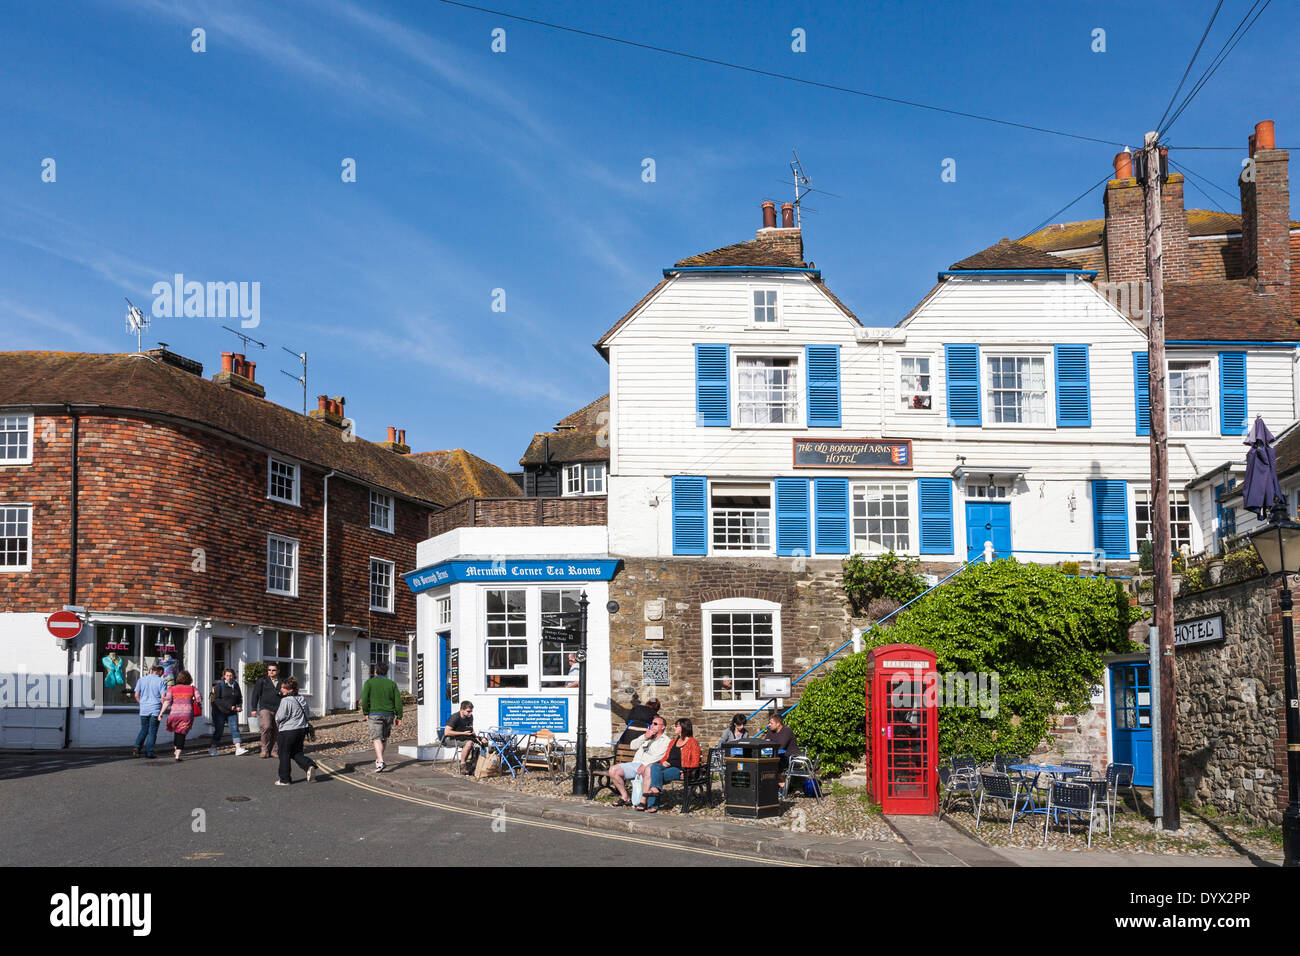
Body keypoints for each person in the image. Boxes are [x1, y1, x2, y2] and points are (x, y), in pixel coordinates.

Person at [639, 718, 701, 813]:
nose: (674, 728)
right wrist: (663, 762)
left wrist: (687, 771)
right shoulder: (673, 742)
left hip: (679, 769)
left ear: (684, 727)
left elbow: (695, 761)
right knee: (654, 767)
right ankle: (655, 789)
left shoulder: (692, 742)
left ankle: (653, 804)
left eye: (677, 726)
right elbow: (666, 756)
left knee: (654, 775)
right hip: (667, 766)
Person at [609, 715, 671, 806]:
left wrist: (644, 764)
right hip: (635, 764)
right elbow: (632, 746)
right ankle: (625, 797)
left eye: (655, 724)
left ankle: (643, 801)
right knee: (613, 770)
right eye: (651, 723)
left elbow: (659, 756)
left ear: (663, 727)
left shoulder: (666, 741)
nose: (652, 725)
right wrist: (645, 737)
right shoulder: (647, 736)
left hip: (649, 767)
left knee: (646, 774)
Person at [273, 677, 318, 785]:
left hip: (288, 730)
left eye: (284, 688)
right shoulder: (302, 698)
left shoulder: (285, 700)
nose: (281, 690)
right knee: (296, 752)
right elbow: (307, 713)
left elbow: (279, 717)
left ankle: (285, 779)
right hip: (301, 729)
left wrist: (277, 719)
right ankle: (309, 765)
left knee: (284, 753)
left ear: (290, 690)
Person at [360, 660, 403, 773]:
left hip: (375, 714)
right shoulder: (392, 684)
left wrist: (365, 712)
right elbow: (398, 701)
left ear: (375, 671)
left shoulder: (369, 683)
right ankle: (379, 759)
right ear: (386, 672)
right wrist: (399, 716)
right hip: (389, 715)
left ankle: (380, 761)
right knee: (384, 738)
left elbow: (364, 700)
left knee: (376, 738)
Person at [160, 670, 201, 761]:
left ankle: (175, 747)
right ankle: (178, 754)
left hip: (174, 713)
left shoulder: (172, 689)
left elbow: (167, 701)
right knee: (182, 732)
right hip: (187, 714)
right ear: (189, 679)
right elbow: (199, 699)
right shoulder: (192, 688)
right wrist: (192, 698)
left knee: (177, 730)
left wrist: (161, 713)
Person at [209, 668, 248, 756]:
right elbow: (217, 700)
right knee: (219, 730)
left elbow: (239, 698)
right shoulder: (219, 685)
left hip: (232, 712)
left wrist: (238, 706)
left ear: (234, 676)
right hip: (219, 711)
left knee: (235, 729)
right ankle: (213, 748)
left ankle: (238, 748)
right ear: (224, 676)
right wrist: (229, 706)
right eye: (227, 675)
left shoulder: (236, 685)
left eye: (231, 675)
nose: (229, 677)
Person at [131, 664, 166, 758]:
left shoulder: (141, 680)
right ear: (159, 672)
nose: (162, 674)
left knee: (144, 729)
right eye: (162, 672)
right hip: (155, 708)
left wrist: (141, 703)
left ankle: (137, 747)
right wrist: (163, 709)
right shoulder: (162, 681)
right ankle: (149, 752)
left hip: (144, 709)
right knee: (152, 732)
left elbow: (136, 695)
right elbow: (163, 697)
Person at [250, 663, 283, 758]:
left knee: (278, 729)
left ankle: (274, 751)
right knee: (266, 727)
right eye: (269, 670)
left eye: (273, 670)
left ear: (278, 671)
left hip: (279, 709)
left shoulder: (282, 681)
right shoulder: (262, 681)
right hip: (265, 707)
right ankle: (264, 750)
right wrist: (253, 708)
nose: (271, 672)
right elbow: (255, 695)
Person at [443, 700, 480, 773]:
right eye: (468, 711)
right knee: (469, 743)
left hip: (463, 737)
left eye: (471, 711)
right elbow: (446, 733)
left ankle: (475, 765)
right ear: (462, 710)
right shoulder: (455, 717)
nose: (470, 713)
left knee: (479, 743)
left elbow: (471, 729)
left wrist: (477, 738)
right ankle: (463, 765)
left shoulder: (470, 717)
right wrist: (463, 733)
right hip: (450, 739)